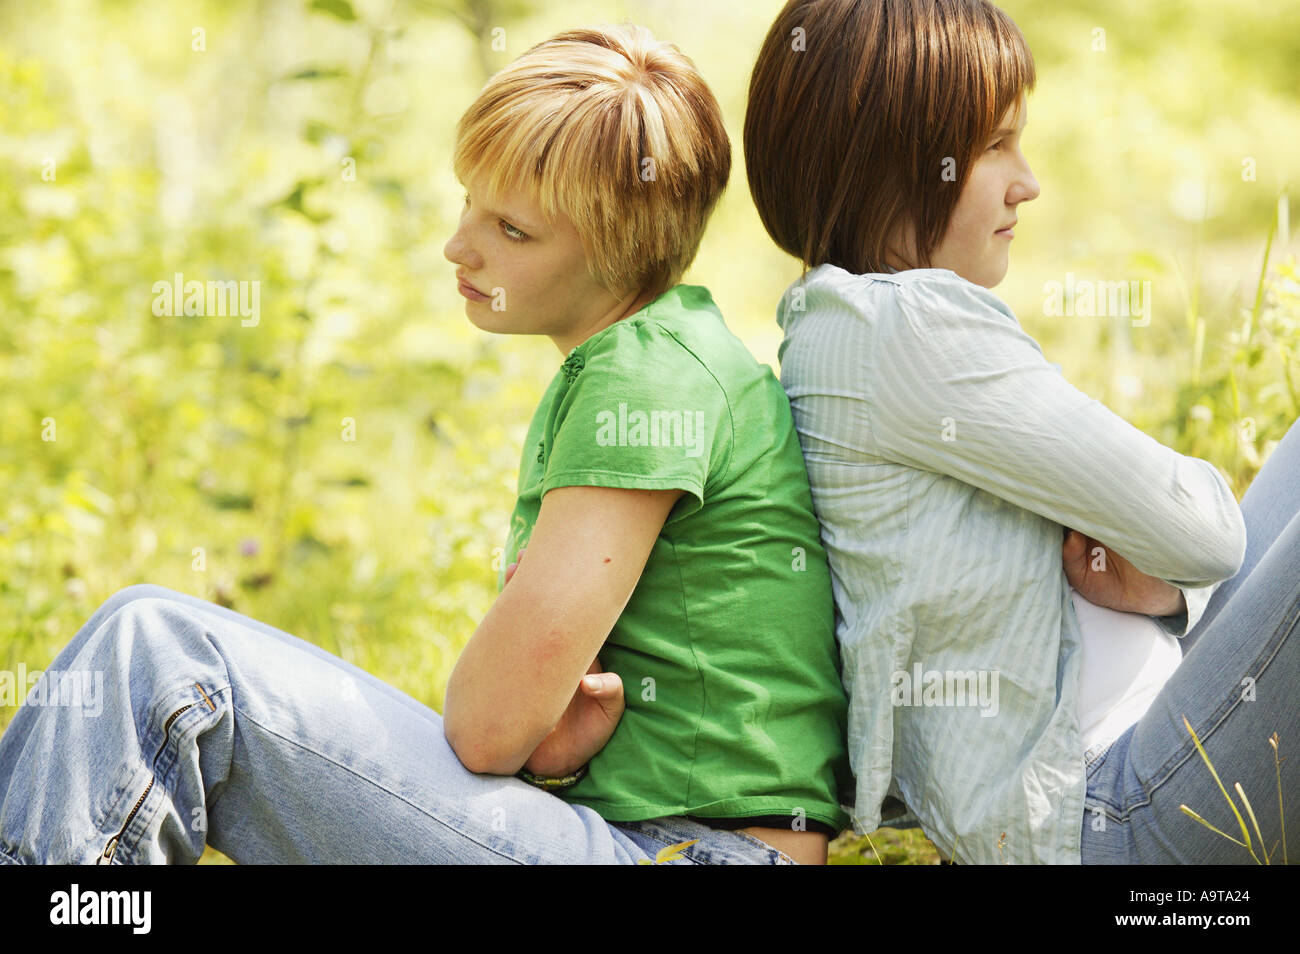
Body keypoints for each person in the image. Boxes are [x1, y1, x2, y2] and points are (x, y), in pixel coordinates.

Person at [0, 23, 852, 866]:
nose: (459, 246)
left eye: (512, 230)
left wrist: (515, 721)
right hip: (652, 838)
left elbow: (484, 728)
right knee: (148, 644)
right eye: (467, 201)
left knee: (162, 655)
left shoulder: (649, 379)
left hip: (695, 854)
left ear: (621, 252)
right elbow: (520, 733)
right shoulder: (663, 356)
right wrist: (547, 749)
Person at [743, 0, 1298, 863]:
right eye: (995, 146)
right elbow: (1206, 532)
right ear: (892, 165)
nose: (1028, 182)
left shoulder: (834, 326)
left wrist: (1165, 592)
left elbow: (1183, 555)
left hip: (1149, 731)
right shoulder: (907, 330)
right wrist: (1175, 567)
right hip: (1112, 818)